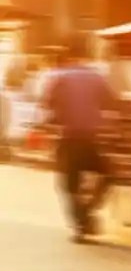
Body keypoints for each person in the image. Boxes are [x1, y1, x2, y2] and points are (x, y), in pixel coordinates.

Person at [43, 34, 116, 239]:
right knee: (108, 175)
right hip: (91, 139)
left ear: (67, 56)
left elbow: (48, 107)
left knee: (68, 185)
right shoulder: (97, 77)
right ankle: (89, 209)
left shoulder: (59, 77)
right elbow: (111, 103)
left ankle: (81, 222)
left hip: (68, 138)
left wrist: (53, 122)